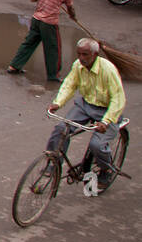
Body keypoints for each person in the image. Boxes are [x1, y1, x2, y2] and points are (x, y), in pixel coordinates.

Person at [47, 38, 126, 183]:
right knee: (60, 129)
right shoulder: (78, 65)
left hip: (107, 110)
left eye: (85, 54)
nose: (81, 58)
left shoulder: (108, 70)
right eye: (79, 54)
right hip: (85, 106)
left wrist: (106, 121)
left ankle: (106, 169)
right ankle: (53, 162)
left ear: (95, 54)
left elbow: (118, 98)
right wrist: (58, 103)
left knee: (97, 145)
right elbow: (70, 84)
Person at [7, 0, 77, 82]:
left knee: (28, 43)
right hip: (49, 23)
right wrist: (73, 17)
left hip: (36, 19)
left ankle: (14, 66)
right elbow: (71, 9)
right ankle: (53, 75)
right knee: (53, 49)